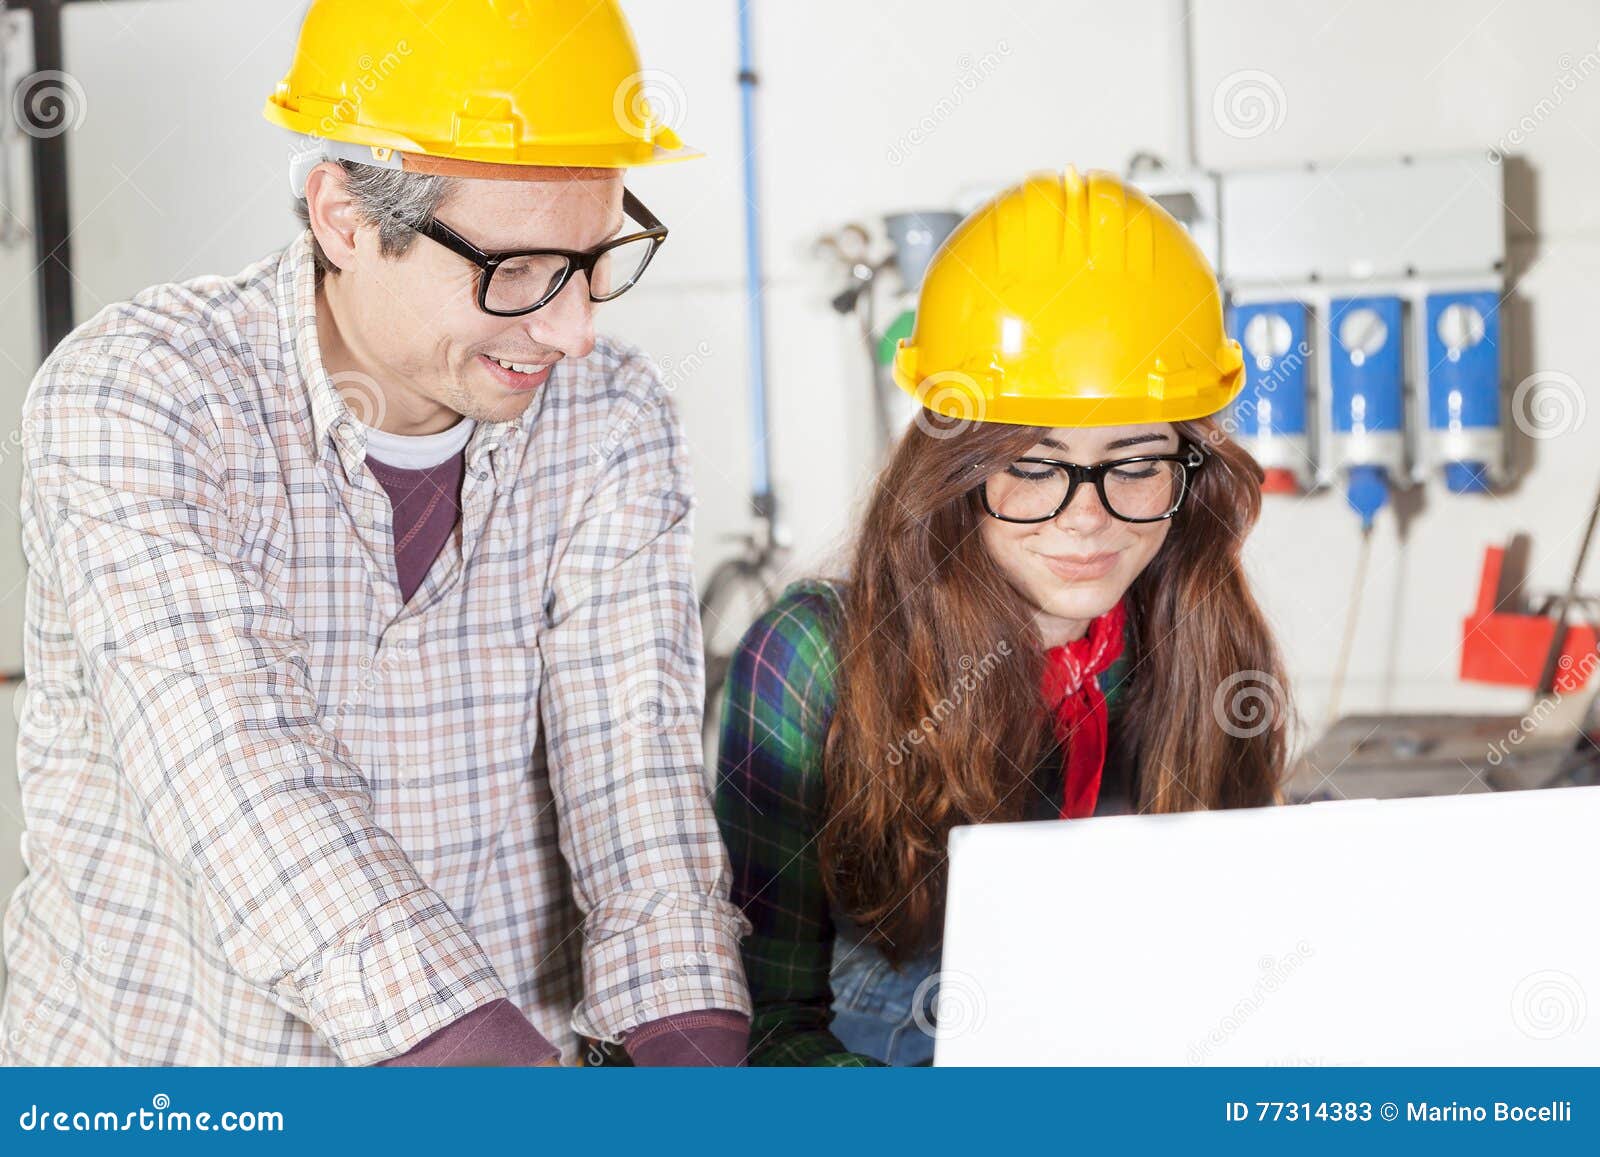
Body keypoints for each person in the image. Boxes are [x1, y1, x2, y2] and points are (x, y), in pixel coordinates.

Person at [1, 0, 751, 1067]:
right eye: (521, 272)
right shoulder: (142, 394)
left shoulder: (611, 414)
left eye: (594, 260)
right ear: (345, 218)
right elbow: (239, 775)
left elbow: (632, 765)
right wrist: (490, 1074)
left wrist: (688, 1042)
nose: (576, 329)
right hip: (174, 1074)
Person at [716, 167, 1291, 1066]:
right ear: (955, 467)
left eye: (1136, 462)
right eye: (1033, 462)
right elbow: (764, 1020)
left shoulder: (1198, 639)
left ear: (1191, 473)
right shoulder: (816, 657)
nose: (1087, 516)